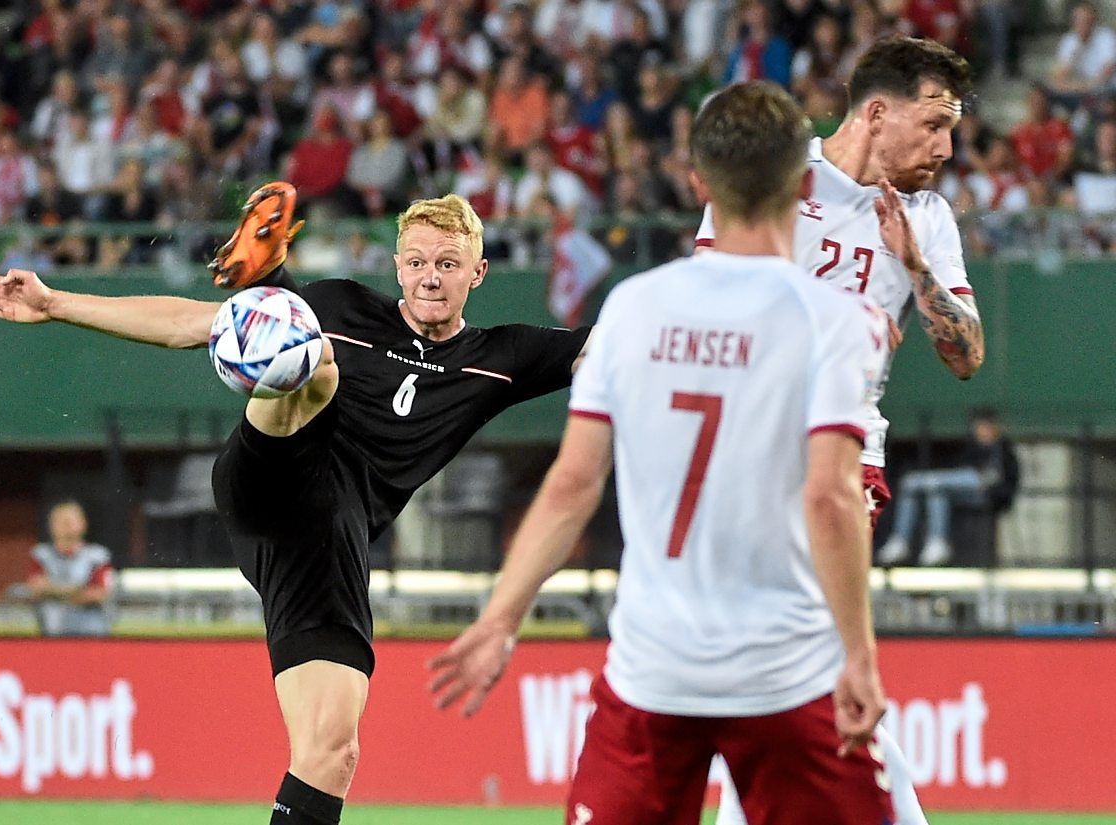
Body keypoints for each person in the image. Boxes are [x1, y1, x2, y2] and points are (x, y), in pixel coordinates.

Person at [0, 188, 590, 825]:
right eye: (418, 261)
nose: (430, 277)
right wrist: (53, 302)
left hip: (327, 541)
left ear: (478, 273)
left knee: (332, 749)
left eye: (448, 264)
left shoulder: (502, 357)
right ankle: (262, 309)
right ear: (396, 264)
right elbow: (185, 324)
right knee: (316, 364)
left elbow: (607, 346)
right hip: (271, 469)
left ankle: (263, 300)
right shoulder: (339, 305)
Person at [429, 81, 893, 825]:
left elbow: (574, 481)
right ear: (803, 181)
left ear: (697, 181)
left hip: (652, 669)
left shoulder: (632, 307)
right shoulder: (839, 319)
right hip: (785, 670)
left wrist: (500, 617)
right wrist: (859, 654)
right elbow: (830, 498)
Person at [694, 34, 982, 825]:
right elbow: (706, 301)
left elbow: (967, 355)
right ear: (878, 112)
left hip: (846, 457)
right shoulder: (773, 177)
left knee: (806, 651)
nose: (946, 148)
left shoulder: (928, 216)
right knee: (788, 665)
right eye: (934, 125)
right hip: (747, 453)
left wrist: (918, 270)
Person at [879, 408, 1020, 566]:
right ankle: (931, 542)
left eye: (987, 427)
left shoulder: (1003, 448)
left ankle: (923, 480)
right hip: (966, 493)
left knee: (926, 483)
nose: (983, 431)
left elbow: (1003, 481)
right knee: (937, 491)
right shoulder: (971, 447)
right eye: (980, 427)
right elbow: (959, 470)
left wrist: (996, 491)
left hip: (989, 495)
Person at [22, 500, 115, 637]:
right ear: (51, 525)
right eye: (61, 522)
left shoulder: (97, 556)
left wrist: (53, 591)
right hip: (51, 632)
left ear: (83, 524)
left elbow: (100, 593)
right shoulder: (41, 555)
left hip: (91, 634)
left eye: (70, 521)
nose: (66, 527)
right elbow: (35, 588)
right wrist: (76, 590)